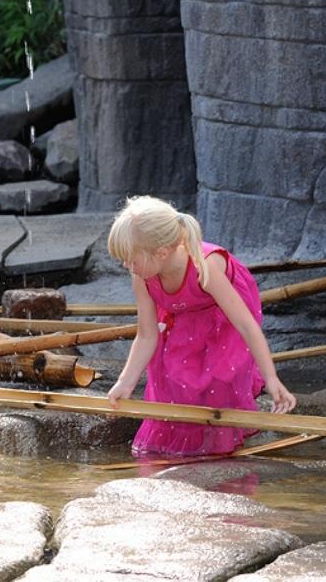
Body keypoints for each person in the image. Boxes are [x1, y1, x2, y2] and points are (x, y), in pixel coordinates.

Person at [105, 195, 297, 456]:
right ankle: (181, 449)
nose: (127, 266)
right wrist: (125, 383)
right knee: (170, 375)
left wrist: (272, 378)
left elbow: (245, 325)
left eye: (131, 259)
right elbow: (147, 336)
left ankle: (218, 449)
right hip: (183, 310)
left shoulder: (204, 269)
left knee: (218, 379)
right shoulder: (142, 278)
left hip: (223, 313)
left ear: (161, 253)